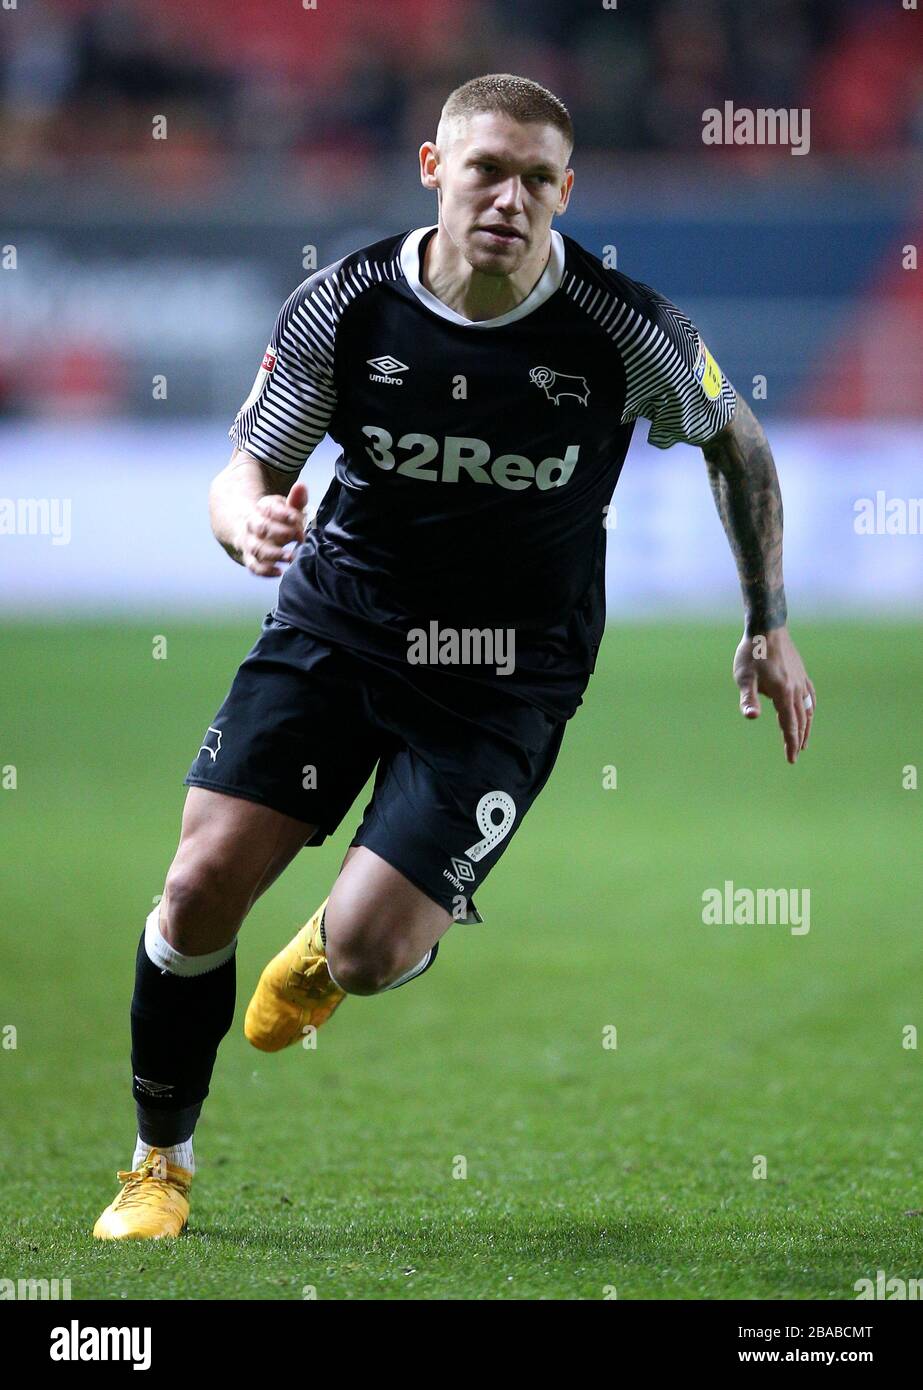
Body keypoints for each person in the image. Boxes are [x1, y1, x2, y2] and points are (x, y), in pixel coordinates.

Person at [94, 73, 815, 1240]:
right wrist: (248, 525)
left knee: (373, 955)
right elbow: (246, 472)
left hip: (504, 675)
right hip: (337, 626)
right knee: (193, 892)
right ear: (434, 170)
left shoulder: (621, 328)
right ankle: (157, 1167)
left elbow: (736, 443)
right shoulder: (347, 302)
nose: (510, 199)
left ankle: (335, 956)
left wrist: (764, 619)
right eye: (486, 170)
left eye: (538, 180)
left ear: (565, 192)